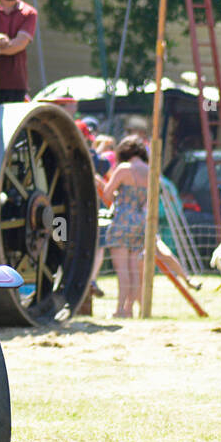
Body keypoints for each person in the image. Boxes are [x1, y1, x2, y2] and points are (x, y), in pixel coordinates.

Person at [95, 136, 150, 319]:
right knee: (134, 269)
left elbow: (108, 195)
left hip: (122, 220)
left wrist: (101, 183)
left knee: (122, 270)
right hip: (140, 220)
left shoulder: (124, 169)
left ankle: (119, 310)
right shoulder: (149, 171)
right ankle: (129, 309)